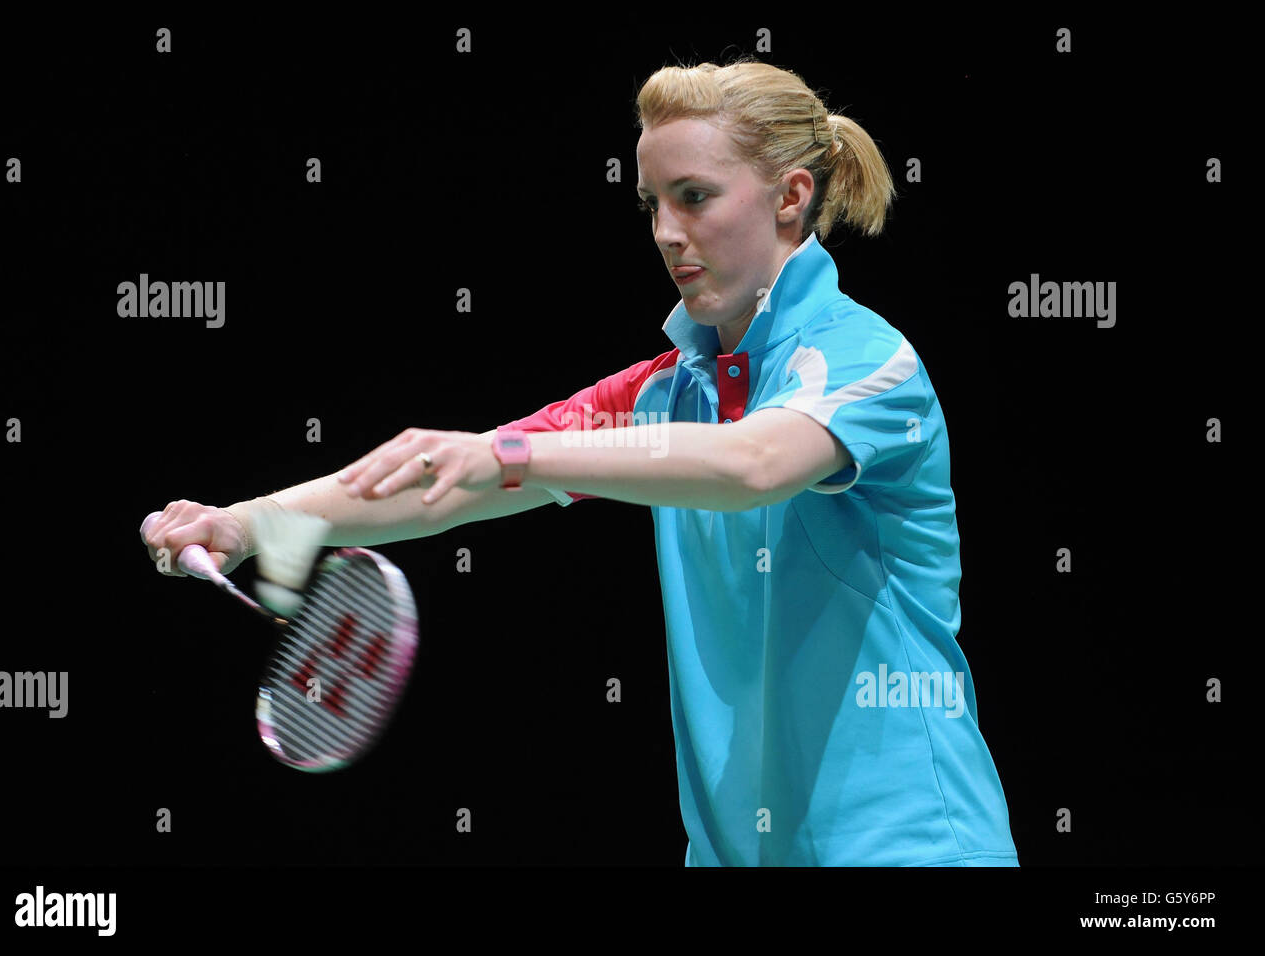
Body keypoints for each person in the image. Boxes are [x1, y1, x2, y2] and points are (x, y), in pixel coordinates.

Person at [142, 57, 1018, 866]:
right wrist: (249, 522)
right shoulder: (664, 392)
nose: (668, 234)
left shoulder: (866, 361)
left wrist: (516, 456)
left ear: (791, 196)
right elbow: (449, 482)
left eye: (696, 196)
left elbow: (753, 462)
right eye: (651, 206)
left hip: (911, 844)